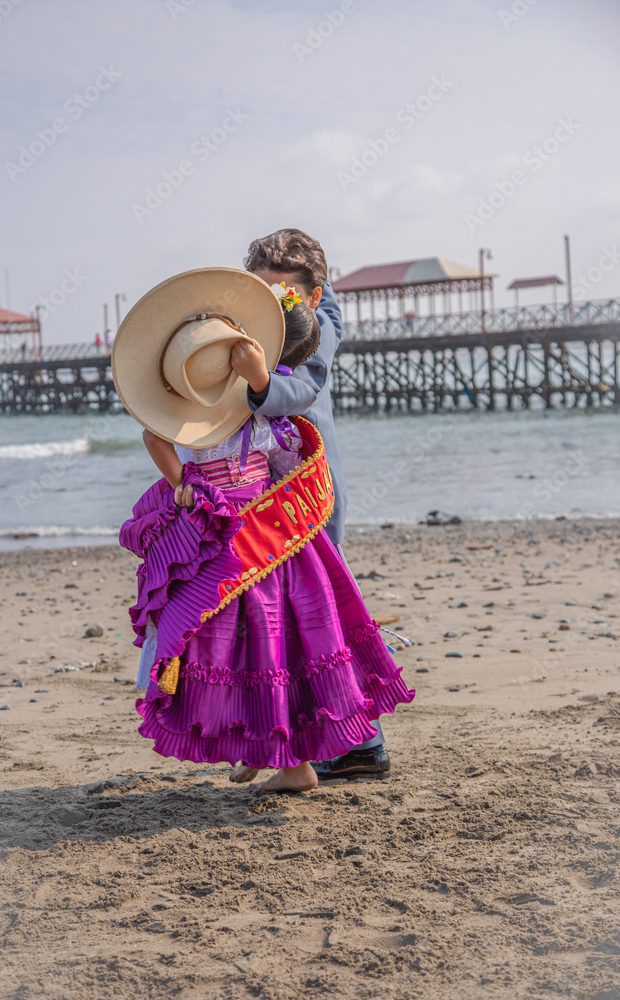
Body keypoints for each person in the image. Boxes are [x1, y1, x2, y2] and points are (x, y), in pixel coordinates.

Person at [113, 267, 414, 793]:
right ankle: (279, 758)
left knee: (231, 649)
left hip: (222, 547)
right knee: (278, 648)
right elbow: (291, 460)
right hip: (271, 542)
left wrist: (183, 480)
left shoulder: (189, 425)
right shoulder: (261, 418)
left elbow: (151, 434)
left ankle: (285, 762)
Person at [241, 229, 393, 781]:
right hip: (273, 493)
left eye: (285, 293)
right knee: (304, 623)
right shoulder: (261, 319)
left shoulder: (321, 325)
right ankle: (345, 741)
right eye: (264, 292)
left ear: (314, 289)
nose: (274, 303)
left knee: (318, 619)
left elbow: (301, 389)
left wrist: (255, 385)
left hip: (312, 491)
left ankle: (359, 741)